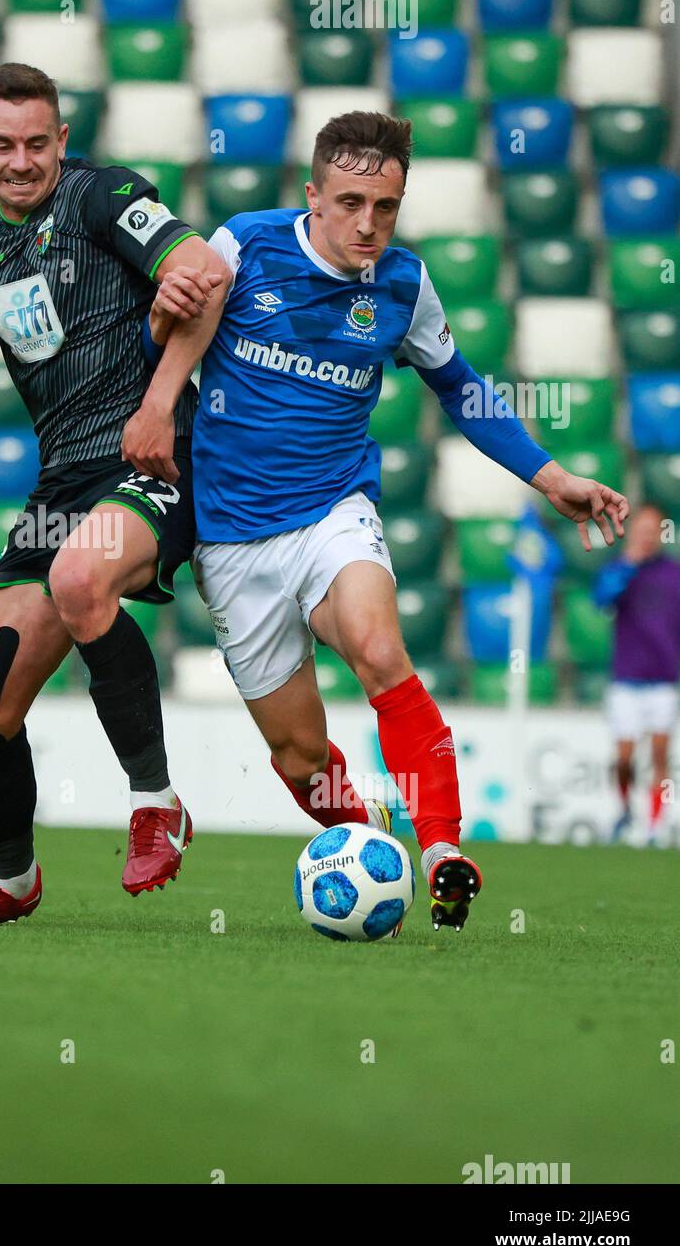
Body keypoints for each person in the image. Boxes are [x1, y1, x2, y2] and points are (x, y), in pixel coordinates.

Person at [145, 110, 629, 930]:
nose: (367, 223)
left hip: (334, 511)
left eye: (386, 206)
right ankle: (372, 850)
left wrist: (551, 477)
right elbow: (169, 333)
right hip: (231, 538)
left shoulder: (403, 284)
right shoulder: (245, 247)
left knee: (378, 649)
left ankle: (441, 848)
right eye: (349, 202)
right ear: (313, 195)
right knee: (300, 757)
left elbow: (461, 387)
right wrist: (160, 352)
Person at [0, 62, 231, 925]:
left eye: (38, 143)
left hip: (152, 456)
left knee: (80, 583)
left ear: (61, 141)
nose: (21, 161)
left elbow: (200, 266)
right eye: (3, 145)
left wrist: (163, 390)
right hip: (62, 483)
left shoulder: (100, 197)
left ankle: (156, 803)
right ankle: (13, 881)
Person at [594, 501, 680, 844]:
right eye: (641, 529)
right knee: (625, 758)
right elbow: (601, 599)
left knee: (660, 752)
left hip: (663, 678)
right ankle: (625, 809)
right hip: (626, 678)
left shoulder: (673, 574)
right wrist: (628, 565)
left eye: (652, 530)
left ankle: (656, 825)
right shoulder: (620, 570)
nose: (647, 537)